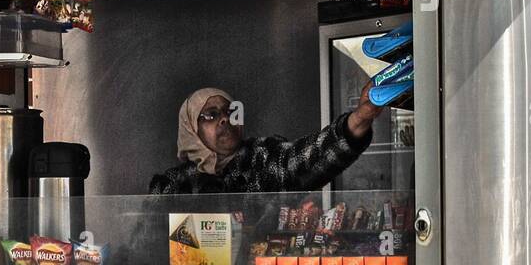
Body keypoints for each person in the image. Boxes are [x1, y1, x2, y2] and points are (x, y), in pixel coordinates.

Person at [148, 84, 383, 195]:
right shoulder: (172, 187)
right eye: (210, 115)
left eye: (231, 111)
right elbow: (146, 249)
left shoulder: (264, 158)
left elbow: (308, 157)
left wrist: (358, 120)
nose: (224, 120)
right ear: (190, 128)